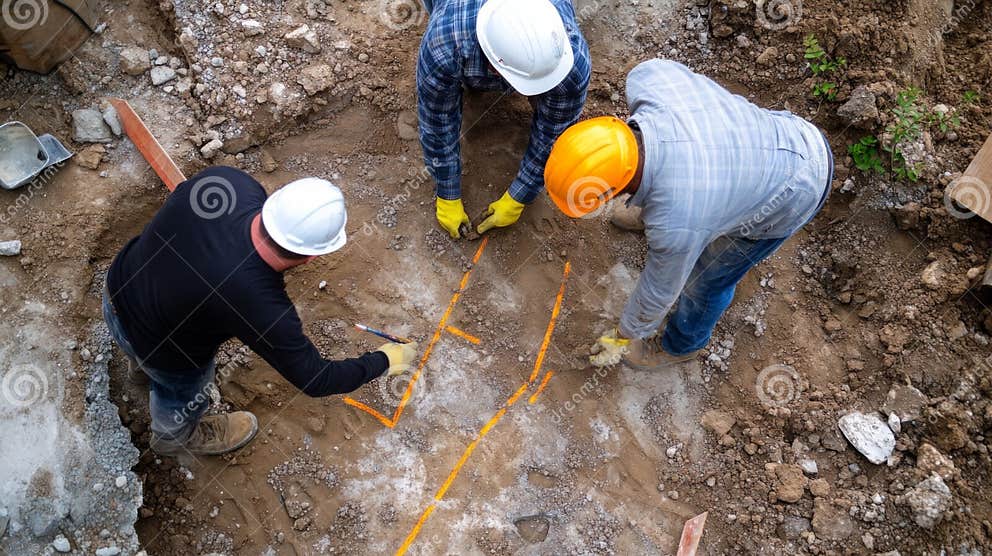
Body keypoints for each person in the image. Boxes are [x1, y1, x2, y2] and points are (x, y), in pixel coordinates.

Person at [103, 167, 419, 456]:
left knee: (143, 349)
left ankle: (140, 373)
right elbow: (315, 379)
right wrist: (383, 361)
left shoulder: (230, 182)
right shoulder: (260, 304)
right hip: (166, 352)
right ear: (310, 257)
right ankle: (173, 438)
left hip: (119, 287)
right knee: (179, 390)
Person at [543, 60, 834, 369]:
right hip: (776, 138)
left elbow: (659, 291)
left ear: (619, 186)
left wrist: (623, 336)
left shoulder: (678, 223)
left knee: (707, 280)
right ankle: (659, 205)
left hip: (796, 189)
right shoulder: (648, 79)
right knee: (674, 208)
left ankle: (682, 346)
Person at [418, 0, 591, 238]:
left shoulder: (571, 61)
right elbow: (437, 122)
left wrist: (520, 195)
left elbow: (554, 135)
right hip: (459, 36)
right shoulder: (445, 46)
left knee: (556, 96)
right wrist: (447, 194)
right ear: (492, 64)